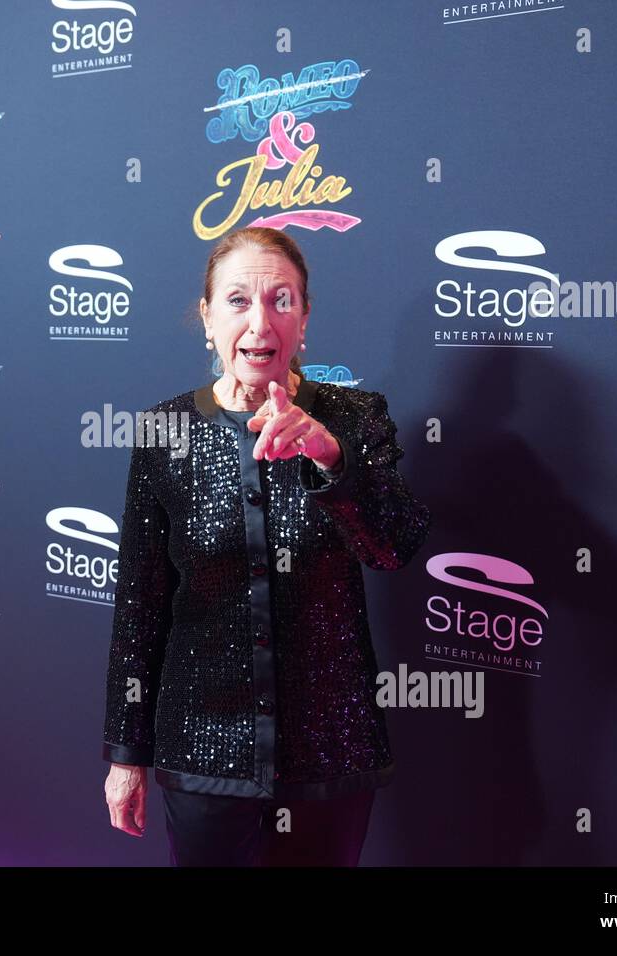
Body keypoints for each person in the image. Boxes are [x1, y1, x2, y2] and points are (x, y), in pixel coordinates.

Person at [100, 226, 432, 866]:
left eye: (282, 301)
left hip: (329, 751)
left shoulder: (355, 418)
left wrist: (332, 460)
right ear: (206, 315)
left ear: (304, 317)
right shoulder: (162, 432)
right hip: (201, 751)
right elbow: (140, 608)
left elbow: (394, 547)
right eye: (237, 301)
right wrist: (124, 755)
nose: (260, 322)